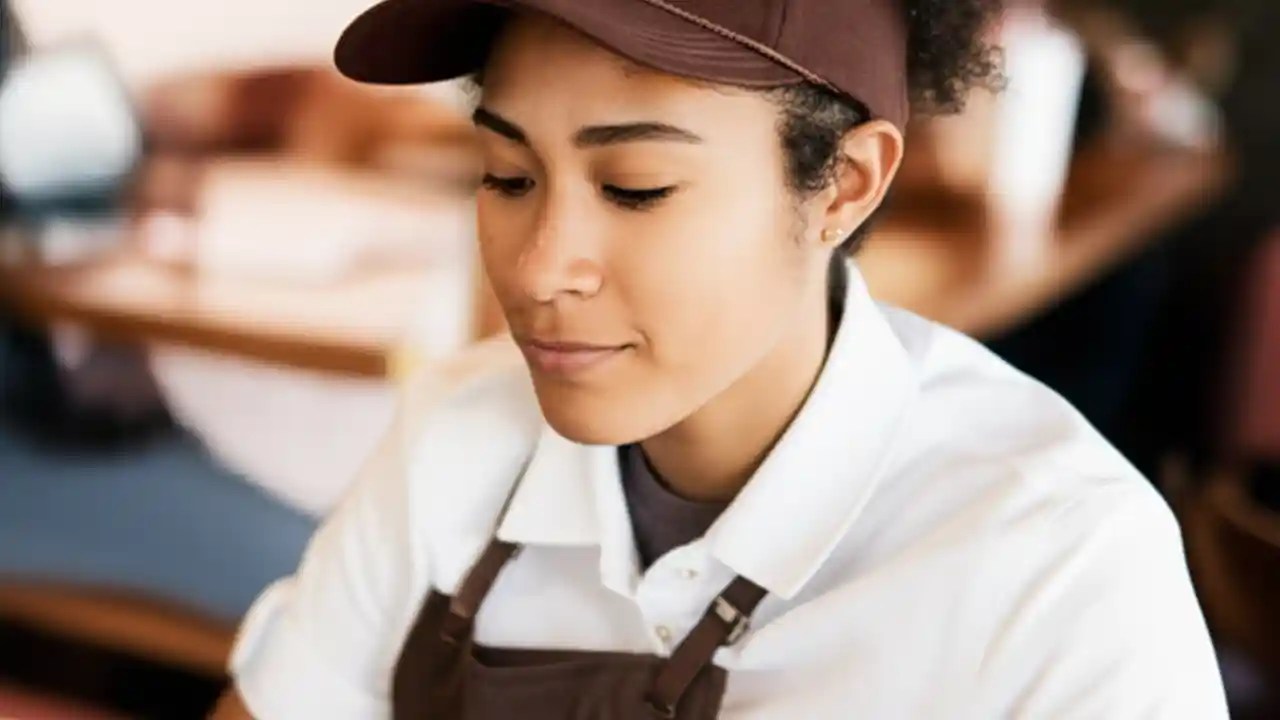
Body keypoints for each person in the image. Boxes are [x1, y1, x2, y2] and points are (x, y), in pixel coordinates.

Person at [217, 0, 1229, 717]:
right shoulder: (459, 433)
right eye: (507, 173)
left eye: (637, 187)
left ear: (841, 183)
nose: (537, 270)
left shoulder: (1058, 566)